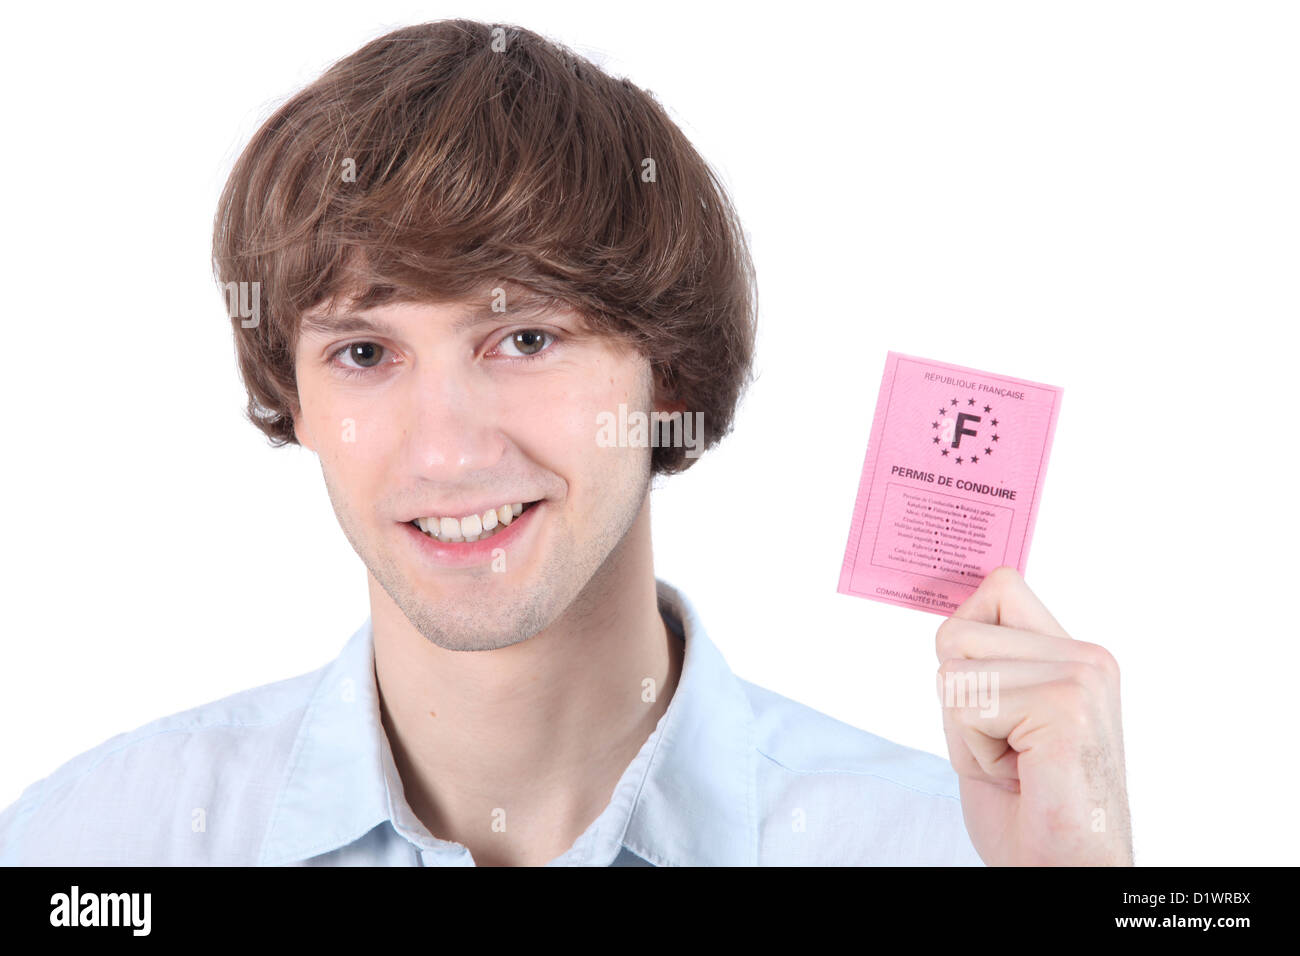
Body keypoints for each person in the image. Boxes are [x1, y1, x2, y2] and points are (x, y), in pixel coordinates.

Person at [0, 18, 1131, 866]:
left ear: (670, 369)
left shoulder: (951, 850)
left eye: (524, 337)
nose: (442, 451)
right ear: (290, 394)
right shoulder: (95, 845)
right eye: (364, 353)